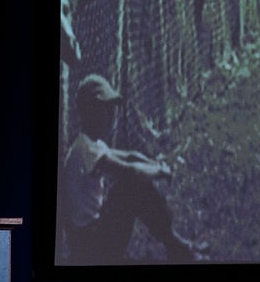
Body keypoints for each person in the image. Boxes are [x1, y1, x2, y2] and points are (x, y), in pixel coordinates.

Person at [59, 74, 206, 264]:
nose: (112, 116)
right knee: (131, 187)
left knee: (132, 187)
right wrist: (160, 172)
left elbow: (131, 156)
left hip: (93, 235)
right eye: (106, 109)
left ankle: (177, 244)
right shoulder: (85, 149)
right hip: (89, 246)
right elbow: (129, 171)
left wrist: (155, 164)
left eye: (113, 109)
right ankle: (177, 246)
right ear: (89, 111)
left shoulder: (92, 144)